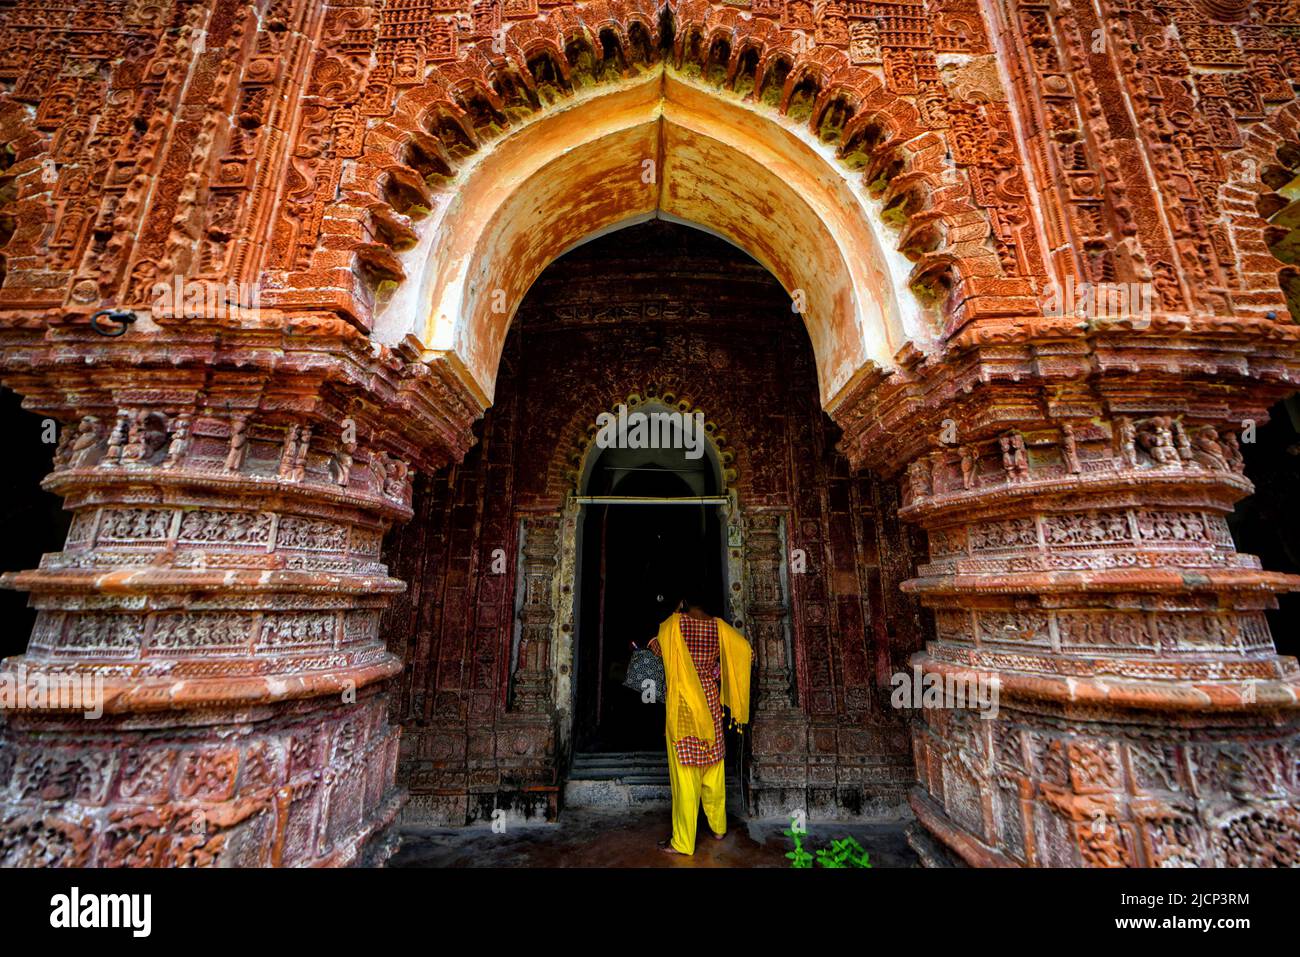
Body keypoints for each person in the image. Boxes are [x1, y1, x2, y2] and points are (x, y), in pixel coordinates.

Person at [648, 585, 752, 855]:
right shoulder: (719, 627)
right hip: (709, 699)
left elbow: (658, 652)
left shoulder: (674, 625)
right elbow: (745, 651)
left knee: (685, 774)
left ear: (683, 601)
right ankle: (718, 827)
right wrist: (716, 670)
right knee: (713, 766)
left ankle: (683, 841)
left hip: (683, 703)